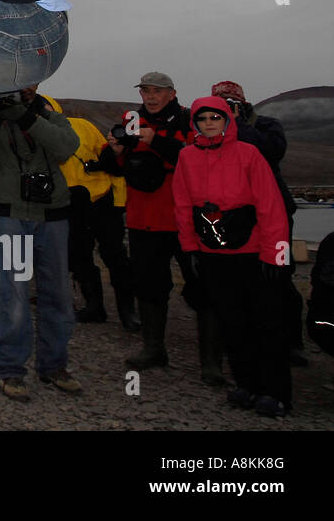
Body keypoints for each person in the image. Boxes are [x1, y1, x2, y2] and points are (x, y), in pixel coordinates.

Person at [173, 96, 291, 416]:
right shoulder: (187, 157)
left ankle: (276, 391)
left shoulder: (249, 153)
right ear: (195, 123)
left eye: (215, 117)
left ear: (228, 119)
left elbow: (271, 206)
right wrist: (189, 248)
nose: (209, 123)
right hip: (212, 252)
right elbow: (182, 205)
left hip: (254, 253)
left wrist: (276, 256)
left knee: (266, 322)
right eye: (202, 118)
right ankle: (246, 384)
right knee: (232, 322)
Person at [0, 86, 81, 401]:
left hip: (53, 212)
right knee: (14, 293)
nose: (23, 88)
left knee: (57, 293)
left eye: (29, 83)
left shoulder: (48, 114)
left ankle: (54, 365)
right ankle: (9, 369)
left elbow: (65, 147)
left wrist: (26, 117)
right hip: (9, 211)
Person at [97, 72, 207, 377]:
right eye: (146, 91)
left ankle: (212, 361)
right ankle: (153, 348)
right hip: (144, 218)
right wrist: (115, 151)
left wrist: (155, 140)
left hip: (185, 219)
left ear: (172, 94)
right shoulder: (131, 119)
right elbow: (113, 167)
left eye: (157, 91)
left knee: (202, 286)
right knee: (149, 286)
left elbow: (196, 159)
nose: (151, 97)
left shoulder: (188, 119)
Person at [213, 80, 307, 366]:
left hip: (273, 211)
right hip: (233, 214)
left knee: (279, 274)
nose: (226, 107)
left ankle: (291, 341)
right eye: (221, 102)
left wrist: (240, 124)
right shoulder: (211, 126)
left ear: (243, 102)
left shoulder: (266, 124)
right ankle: (242, 337)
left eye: (231, 102)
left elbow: (272, 153)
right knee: (236, 278)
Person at [49, 96, 138, 331]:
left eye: (48, 108)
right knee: (79, 257)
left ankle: (128, 311)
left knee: (115, 256)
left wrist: (120, 200)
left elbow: (113, 160)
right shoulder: (37, 138)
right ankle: (94, 306)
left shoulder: (82, 126)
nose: (45, 113)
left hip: (101, 200)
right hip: (68, 205)